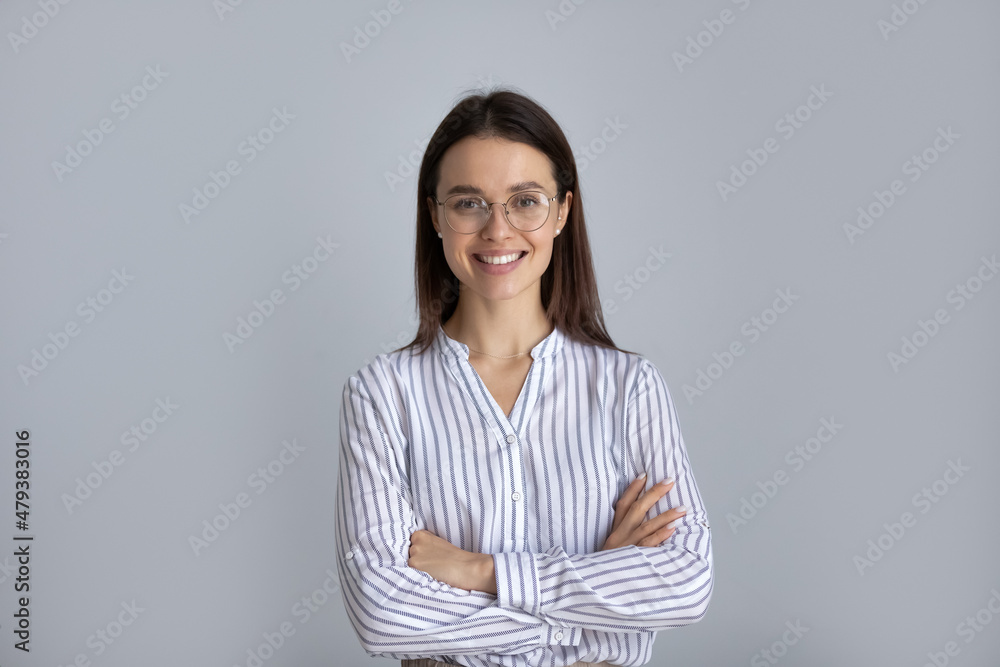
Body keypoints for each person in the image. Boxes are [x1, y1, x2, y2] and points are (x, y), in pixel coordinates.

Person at [335, 88, 713, 667]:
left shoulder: (628, 388)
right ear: (434, 214)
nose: (498, 230)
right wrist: (594, 601)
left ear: (562, 211)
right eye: (469, 203)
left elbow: (684, 583)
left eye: (525, 200)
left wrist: (479, 572)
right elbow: (383, 616)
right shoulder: (383, 394)